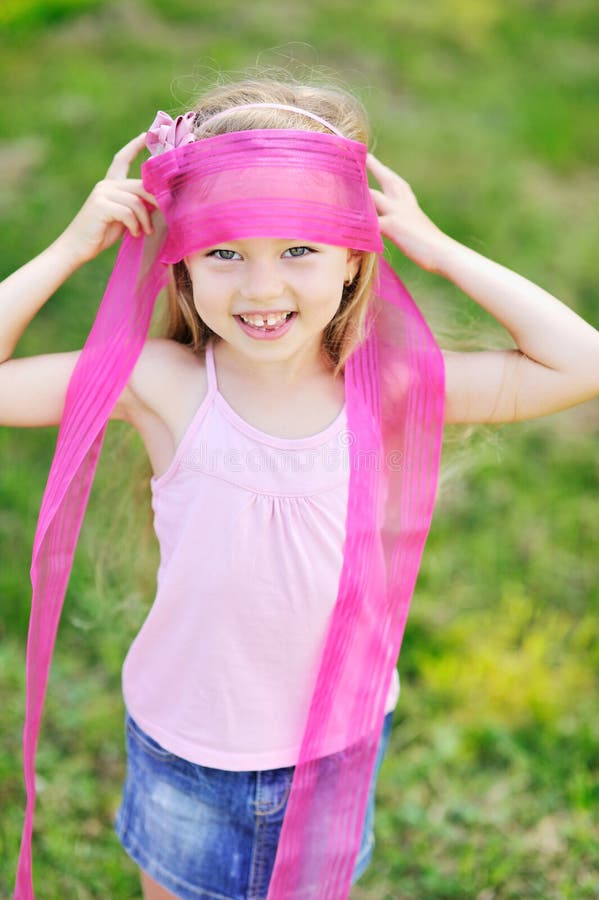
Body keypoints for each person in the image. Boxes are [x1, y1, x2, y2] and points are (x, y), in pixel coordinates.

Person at [3, 78, 599, 900]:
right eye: (224, 252)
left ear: (354, 257)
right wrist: (71, 248)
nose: (260, 289)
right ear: (178, 265)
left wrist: (435, 246)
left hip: (336, 746)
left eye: (298, 250)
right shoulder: (161, 384)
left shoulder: (383, 386)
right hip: (189, 747)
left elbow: (580, 363)